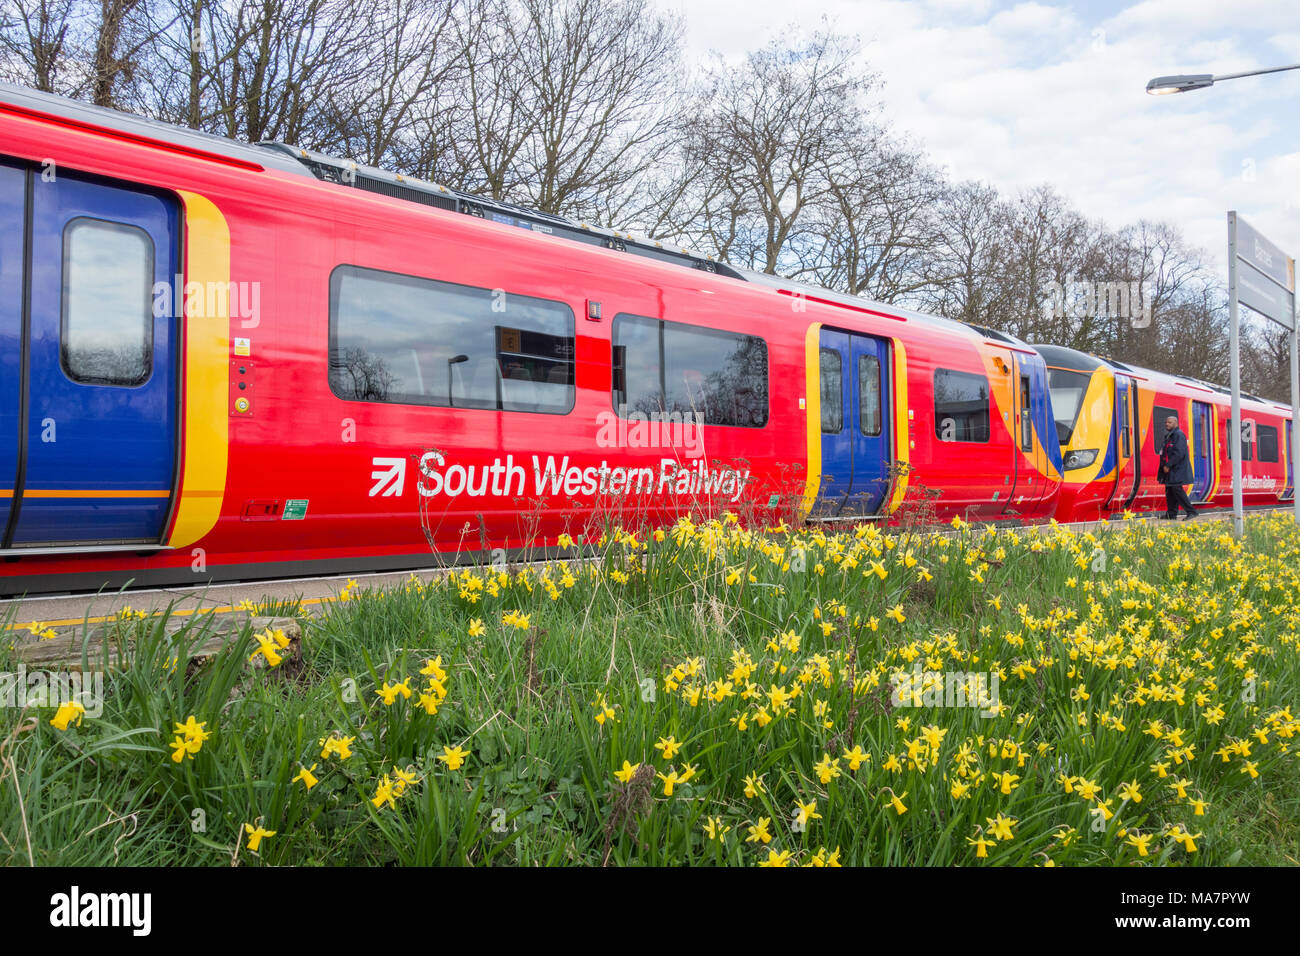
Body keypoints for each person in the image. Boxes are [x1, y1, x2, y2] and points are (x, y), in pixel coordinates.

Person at [1158, 414, 1196, 519]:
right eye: (1166, 422)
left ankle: (1191, 511)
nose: (1167, 424)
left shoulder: (1179, 435)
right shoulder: (1170, 435)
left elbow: (1179, 453)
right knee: (1170, 490)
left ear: (1176, 423)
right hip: (1171, 469)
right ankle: (1171, 514)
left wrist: (1168, 465)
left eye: (1169, 422)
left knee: (1176, 489)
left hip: (1176, 468)